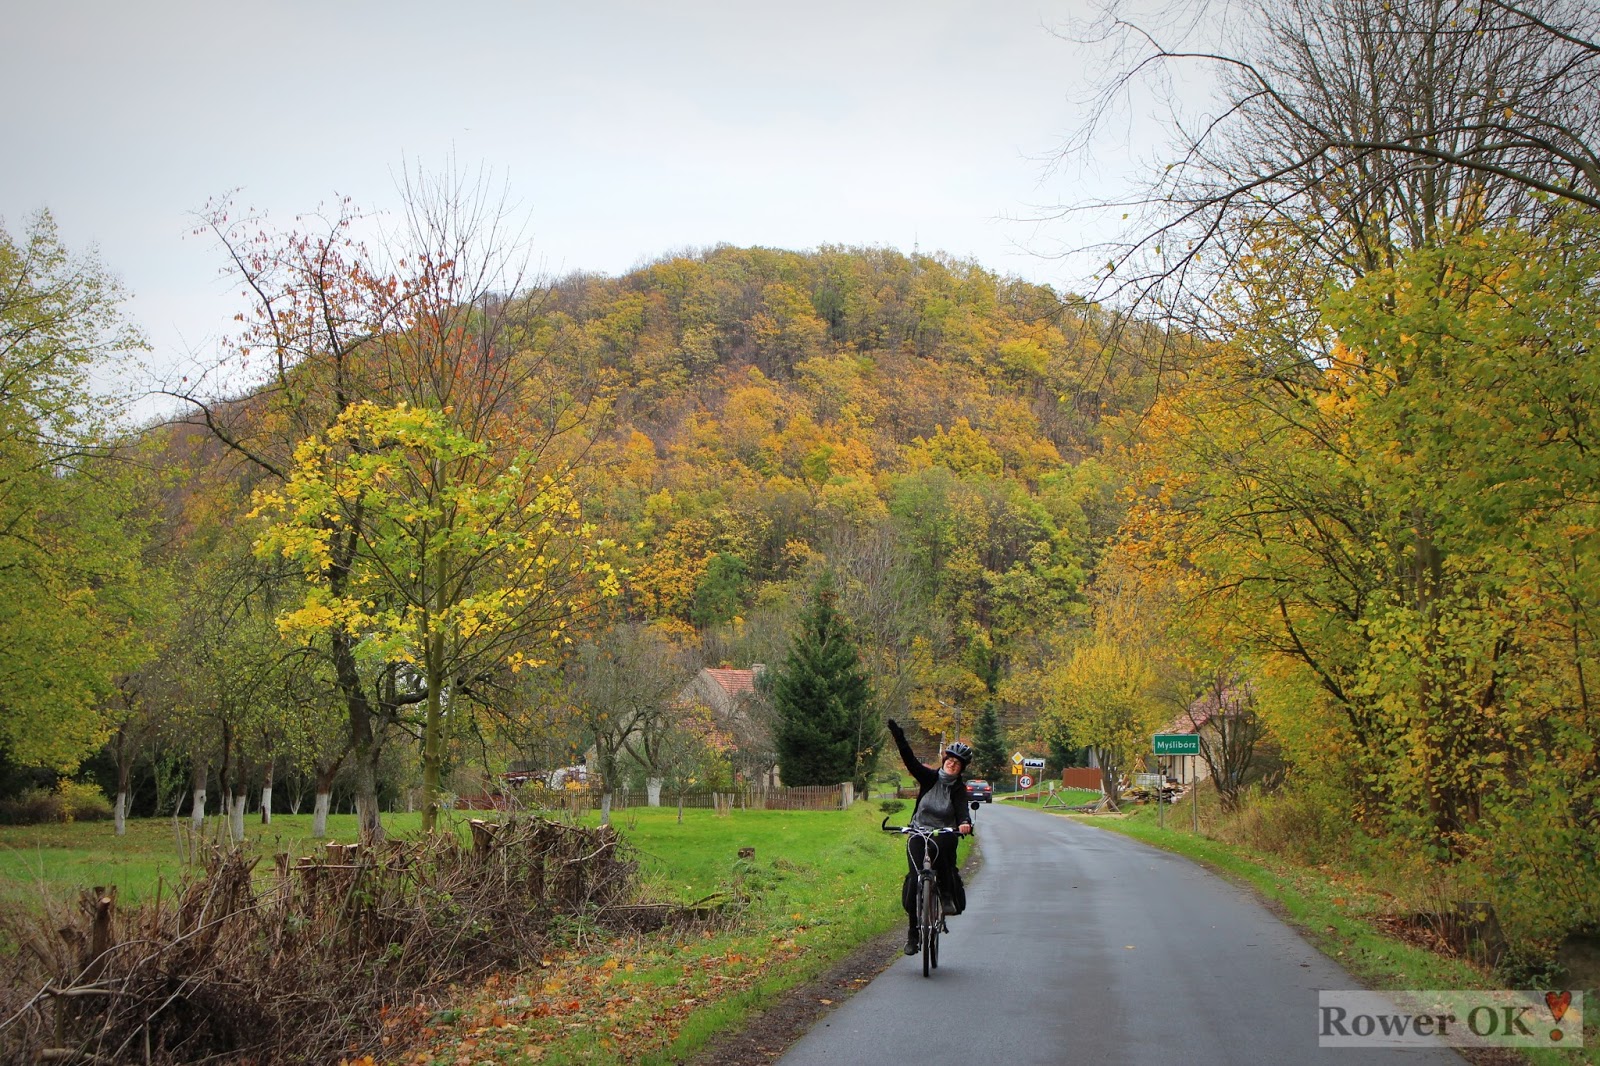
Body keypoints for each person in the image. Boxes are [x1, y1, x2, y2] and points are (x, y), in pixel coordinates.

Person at [886, 718, 974, 955]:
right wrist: (899, 737)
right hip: (919, 830)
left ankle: (945, 895)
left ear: (961, 769)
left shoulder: (957, 788)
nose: (953, 765)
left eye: (958, 764)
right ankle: (913, 935)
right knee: (916, 879)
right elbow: (910, 762)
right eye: (951, 761)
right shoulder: (929, 778)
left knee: (945, 855)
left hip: (943, 832)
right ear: (945, 761)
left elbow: (962, 808)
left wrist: (964, 823)